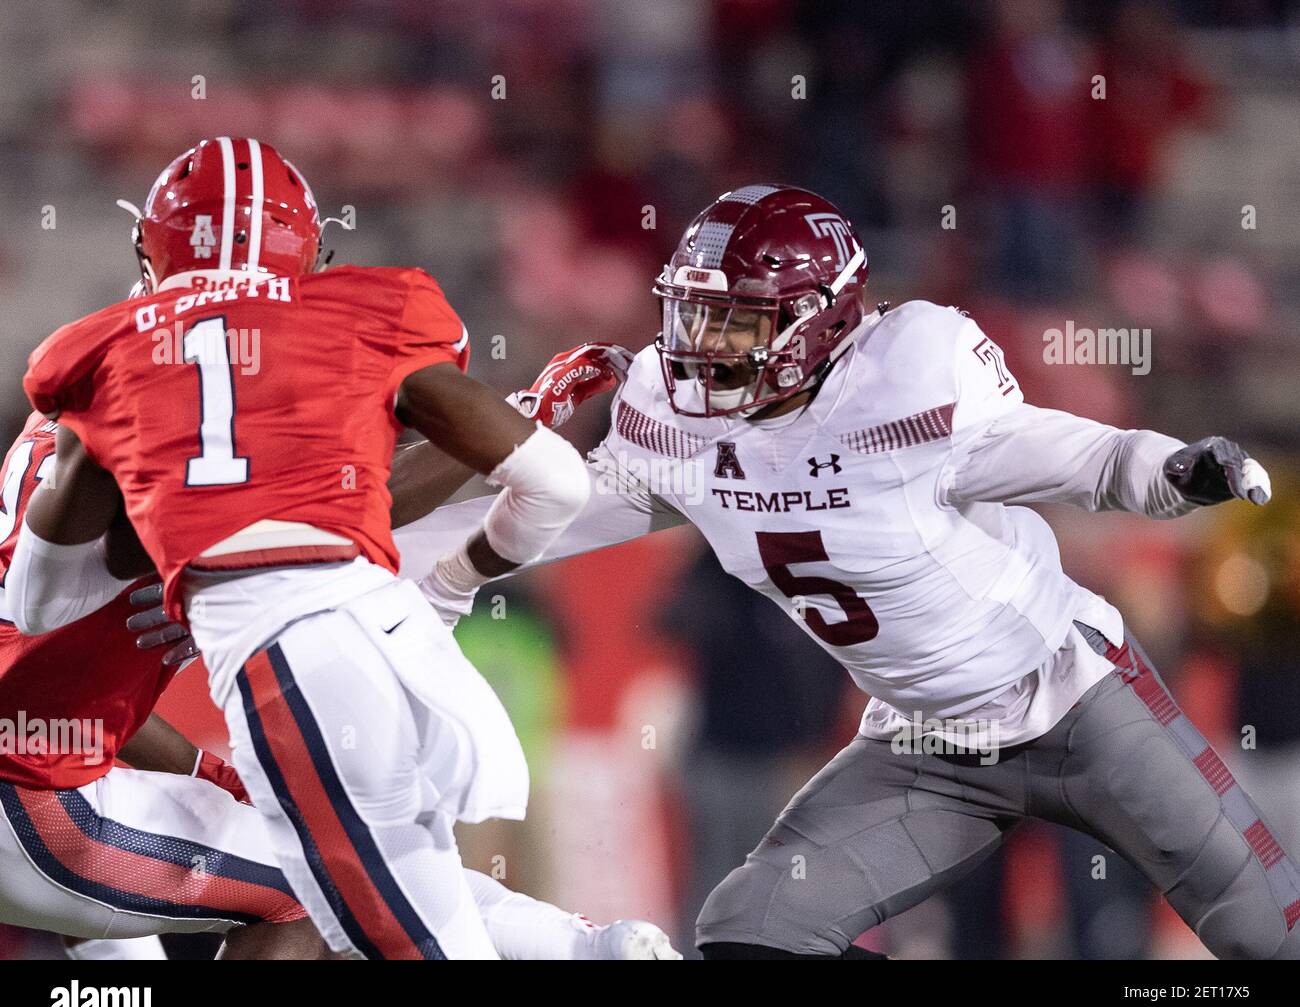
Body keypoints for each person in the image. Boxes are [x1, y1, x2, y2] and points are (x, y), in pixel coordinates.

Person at [392, 184, 1299, 960]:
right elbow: (547, 512)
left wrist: (1170, 469)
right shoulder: (679, 425)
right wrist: (364, 557)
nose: (703, 343)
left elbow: (1067, 455)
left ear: (818, 318)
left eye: (737, 318)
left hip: (1076, 696)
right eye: (695, 311)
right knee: (755, 928)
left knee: (1267, 934)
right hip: (925, 748)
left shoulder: (907, 374)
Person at [7, 136, 596, 960]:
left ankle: (593, 947)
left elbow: (56, 682)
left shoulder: (123, 399)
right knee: (320, 890)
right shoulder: (134, 426)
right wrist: (499, 432)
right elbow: (37, 645)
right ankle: (588, 949)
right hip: (34, 791)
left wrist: (203, 769)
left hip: (57, 763)